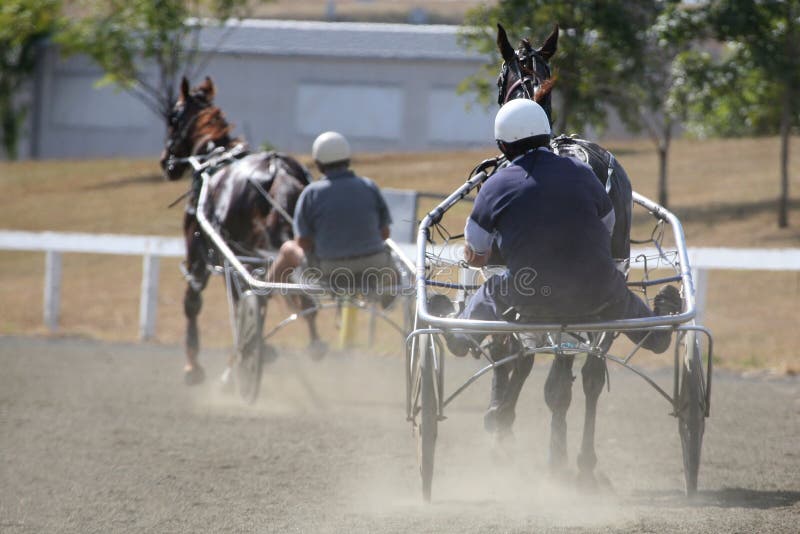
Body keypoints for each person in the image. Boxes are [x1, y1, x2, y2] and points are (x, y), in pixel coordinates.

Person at [442, 99, 681, 432]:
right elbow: (607, 229)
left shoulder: (495, 186)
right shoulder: (584, 173)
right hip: (598, 292)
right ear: (546, 133)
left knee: (492, 288)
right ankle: (660, 326)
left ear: (502, 146)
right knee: (642, 323)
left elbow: (477, 253)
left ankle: (460, 335)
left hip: (529, 295)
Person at [267, 131, 399, 314]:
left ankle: (264, 296)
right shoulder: (369, 186)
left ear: (319, 164)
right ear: (347, 159)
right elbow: (384, 233)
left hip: (329, 269)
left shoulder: (311, 193)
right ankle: (388, 301)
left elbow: (302, 243)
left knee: (288, 249)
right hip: (374, 264)